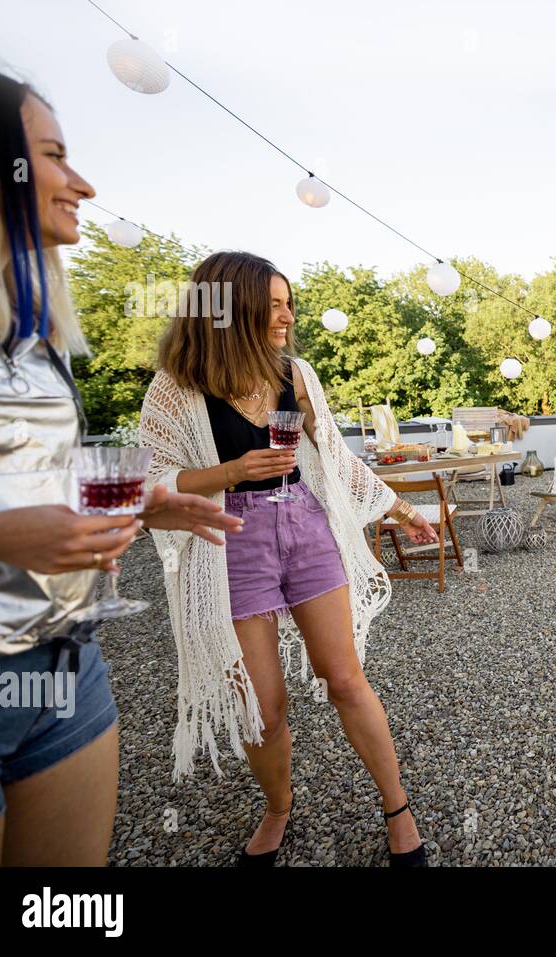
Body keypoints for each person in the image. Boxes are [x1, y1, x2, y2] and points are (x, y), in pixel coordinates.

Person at [0, 63, 241, 866]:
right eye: (54, 154)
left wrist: (145, 503)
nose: (81, 184)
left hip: (63, 664)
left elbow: (17, 479)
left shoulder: (30, 336)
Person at [140, 250, 439, 866]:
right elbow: (149, 482)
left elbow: (332, 456)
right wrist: (230, 471)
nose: (287, 315)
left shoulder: (294, 375)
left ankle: (397, 807)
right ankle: (278, 805)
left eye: (288, 303)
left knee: (346, 679)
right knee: (264, 706)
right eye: (273, 304)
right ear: (231, 308)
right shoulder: (177, 387)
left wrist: (403, 512)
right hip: (230, 540)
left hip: (303, 524)